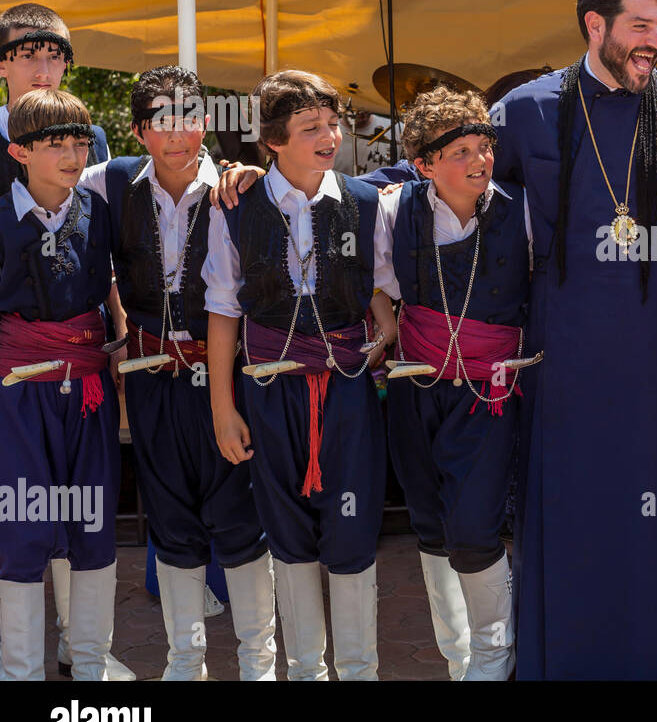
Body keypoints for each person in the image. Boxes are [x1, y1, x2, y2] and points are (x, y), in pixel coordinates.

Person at [493, 0, 657, 679]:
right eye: (641, 26)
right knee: (576, 515)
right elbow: (459, 190)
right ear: (594, 24)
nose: (654, 42)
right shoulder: (526, 110)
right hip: (564, 356)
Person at [79, 66, 277, 680]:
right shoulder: (108, 183)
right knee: (170, 519)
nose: (178, 134)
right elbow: (45, 185)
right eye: (162, 122)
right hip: (148, 374)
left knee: (241, 517)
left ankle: (258, 665)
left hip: (228, 374)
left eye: (189, 118)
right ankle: (185, 664)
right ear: (139, 131)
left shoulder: (245, 188)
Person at [204, 70, 394, 680]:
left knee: (355, 522)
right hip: (270, 388)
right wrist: (222, 409)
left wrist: (384, 327)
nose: (328, 137)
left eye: (333, 125)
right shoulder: (237, 206)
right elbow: (223, 312)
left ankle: (358, 672)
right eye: (310, 128)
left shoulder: (367, 203)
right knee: (284, 525)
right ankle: (306, 671)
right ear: (273, 142)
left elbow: (383, 288)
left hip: (346, 386)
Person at [372, 87, 529, 680]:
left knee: (473, 527)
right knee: (431, 524)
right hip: (415, 390)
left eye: (484, 146)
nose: (479, 160)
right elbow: (355, 266)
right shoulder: (394, 209)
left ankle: (495, 654)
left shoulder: (524, 213)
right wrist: (385, 317)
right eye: (459, 151)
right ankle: (459, 658)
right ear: (424, 164)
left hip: (488, 395)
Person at [0, 3, 127, 680]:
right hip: (17, 385)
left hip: (85, 384)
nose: (71, 155)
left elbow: (107, 272)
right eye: (26, 51)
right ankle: (17, 669)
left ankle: (87, 662)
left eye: (77, 143)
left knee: (90, 519)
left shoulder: (98, 197)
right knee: (20, 520)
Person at [0, 4, 111, 190]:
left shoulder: (94, 141)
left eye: (54, 56)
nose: (43, 73)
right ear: (2, 65)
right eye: (28, 56)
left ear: (65, 64)